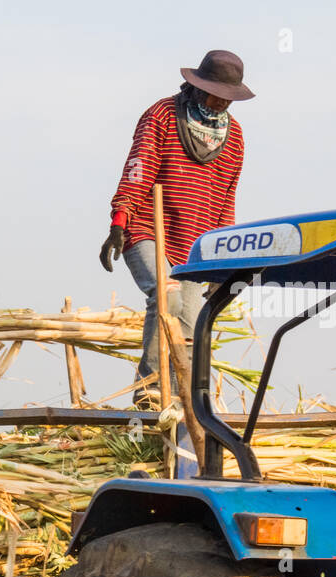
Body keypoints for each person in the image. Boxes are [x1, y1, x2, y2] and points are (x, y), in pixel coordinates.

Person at [99, 50, 253, 410]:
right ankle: (151, 388)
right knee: (165, 294)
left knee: (192, 318)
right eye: (213, 92)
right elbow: (138, 168)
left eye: (226, 97)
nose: (219, 101)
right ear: (197, 86)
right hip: (148, 226)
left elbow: (226, 201)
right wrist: (119, 220)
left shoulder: (235, 138)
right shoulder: (163, 115)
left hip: (196, 240)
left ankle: (187, 397)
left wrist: (223, 260)